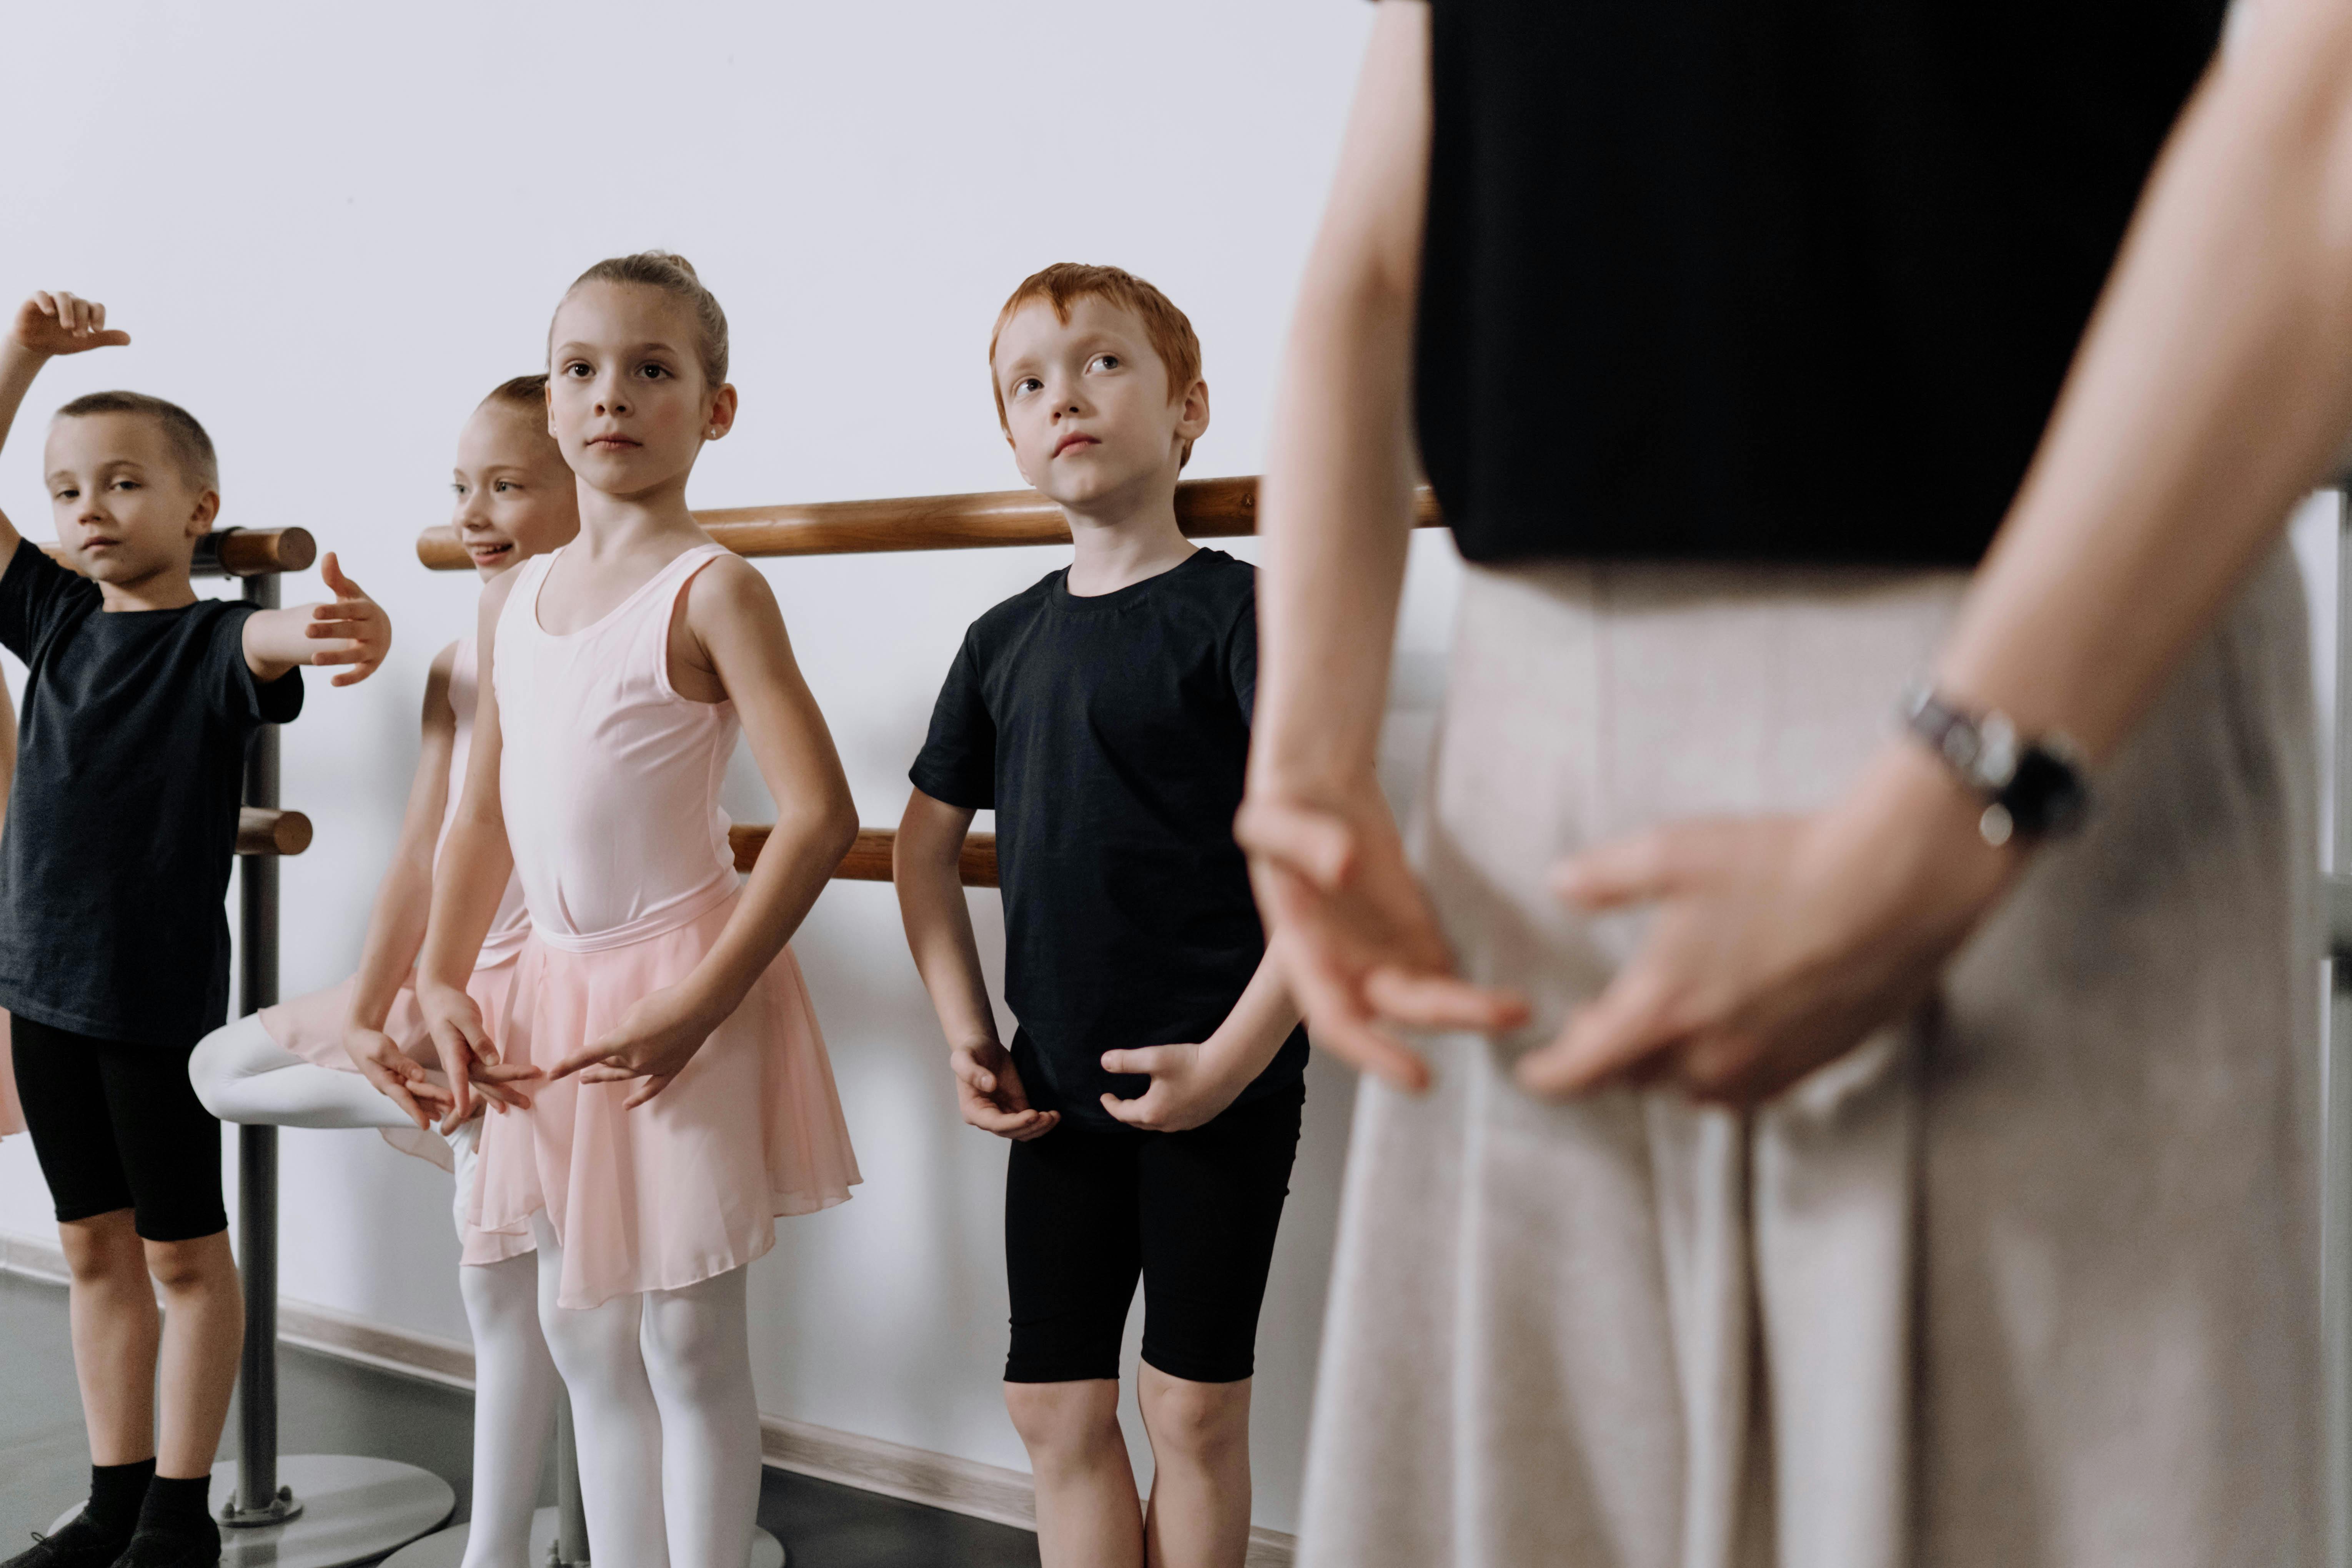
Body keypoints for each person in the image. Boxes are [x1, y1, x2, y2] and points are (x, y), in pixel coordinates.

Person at [1237, 1, 2340, 1564]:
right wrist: (1305, 746)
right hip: (1525, 791)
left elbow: (2329, 112)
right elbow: (1377, 231)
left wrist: (1963, 785)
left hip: (2046, 709)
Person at [412, 252, 862, 1568]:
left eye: (651, 370)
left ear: (715, 410)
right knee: (581, 1325)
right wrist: (442, 976)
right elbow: (482, 818)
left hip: (681, 992)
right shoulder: (515, 600)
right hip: (549, 996)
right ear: (551, 403)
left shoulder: (715, 589)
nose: (611, 395)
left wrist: (698, 1004)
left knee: (687, 1335)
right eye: (583, 369)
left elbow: (821, 816)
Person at [895, 263, 1307, 1568]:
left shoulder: (1246, 614)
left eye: (1102, 364)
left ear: (1189, 409)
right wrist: (970, 1034)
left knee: (1191, 1407)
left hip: (1227, 1086)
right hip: (1058, 1098)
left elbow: (1325, 869)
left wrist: (1228, 1066)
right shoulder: (1001, 641)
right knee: (1053, 1406)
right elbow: (921, 853)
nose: (1063, 397)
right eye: (1028, 384)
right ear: (1013, 440)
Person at [0, 290, 391, 1568]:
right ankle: (111, 1502)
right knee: (90, 1249)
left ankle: (179, 1516)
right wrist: (22, 356)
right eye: (67, 491)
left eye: (124, 483)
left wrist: (341, 627)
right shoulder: (56, 619)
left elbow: (283, 634)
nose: (90, 509)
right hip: (38, 988)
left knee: (180, 1256)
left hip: (152, 1000)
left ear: (197, 509)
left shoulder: (220, 641)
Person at [185, 373, 579, 1568]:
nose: (473, 511)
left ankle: (498, 1551)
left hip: (541, 994)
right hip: (442, 980)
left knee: (512, 1301)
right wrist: (369, 1015)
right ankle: (445, 1107)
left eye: (507, 485)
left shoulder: (596, 646)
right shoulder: (455, 666)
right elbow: (421, 850)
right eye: (462, 486)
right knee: (221, 1067)